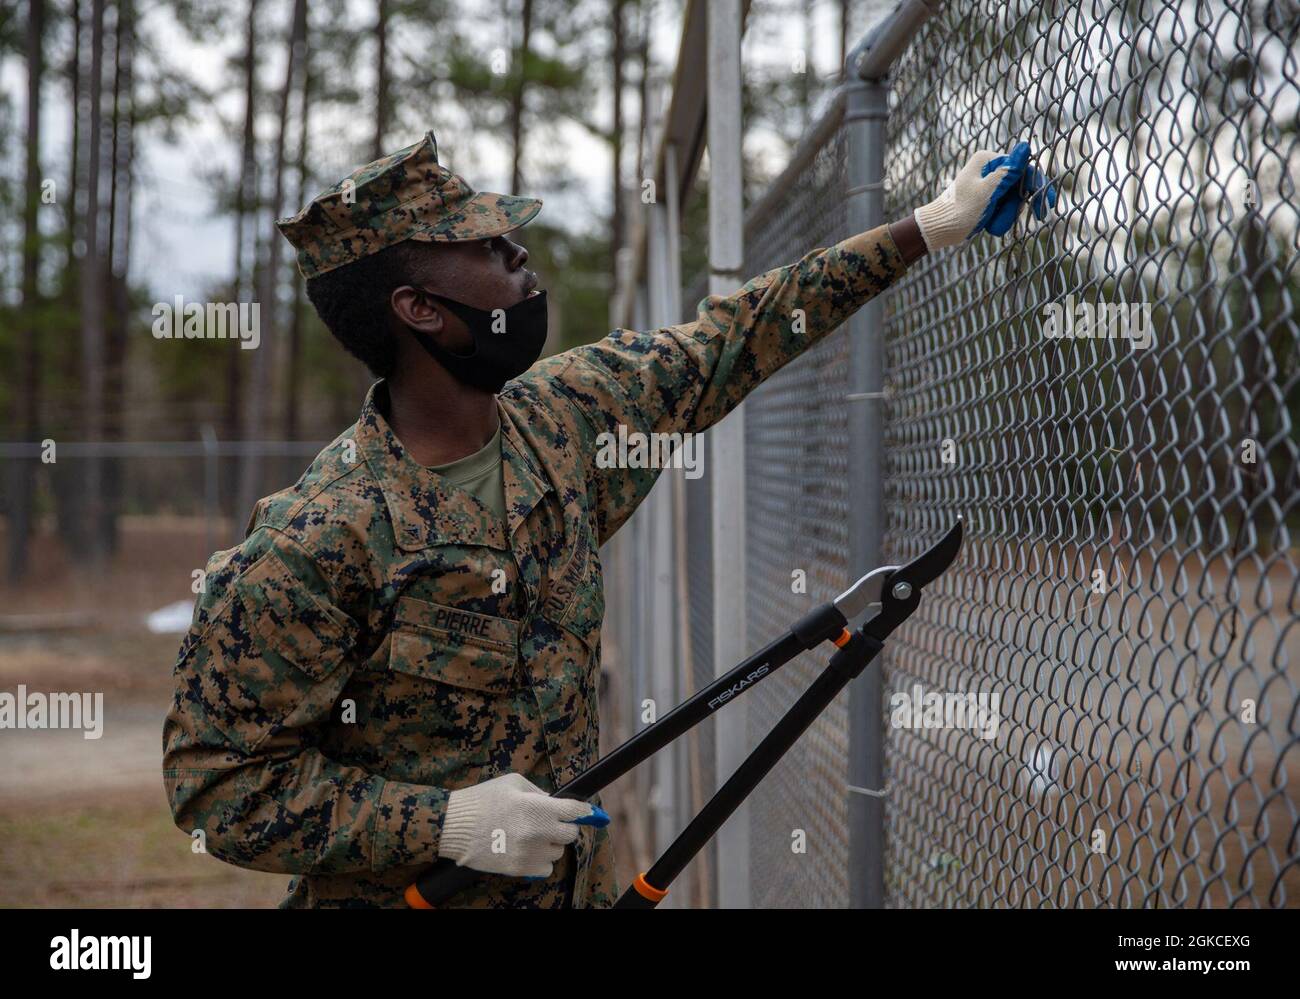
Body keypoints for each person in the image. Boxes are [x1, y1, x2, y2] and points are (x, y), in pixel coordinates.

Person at [161, 129, 1051, 908]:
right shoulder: (319, 539)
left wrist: (930, 226)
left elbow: (736, 335)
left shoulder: (568, 417)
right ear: (420, 309)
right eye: (484, 242)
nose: (517, 251)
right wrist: (445, 823)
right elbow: (217, 784)